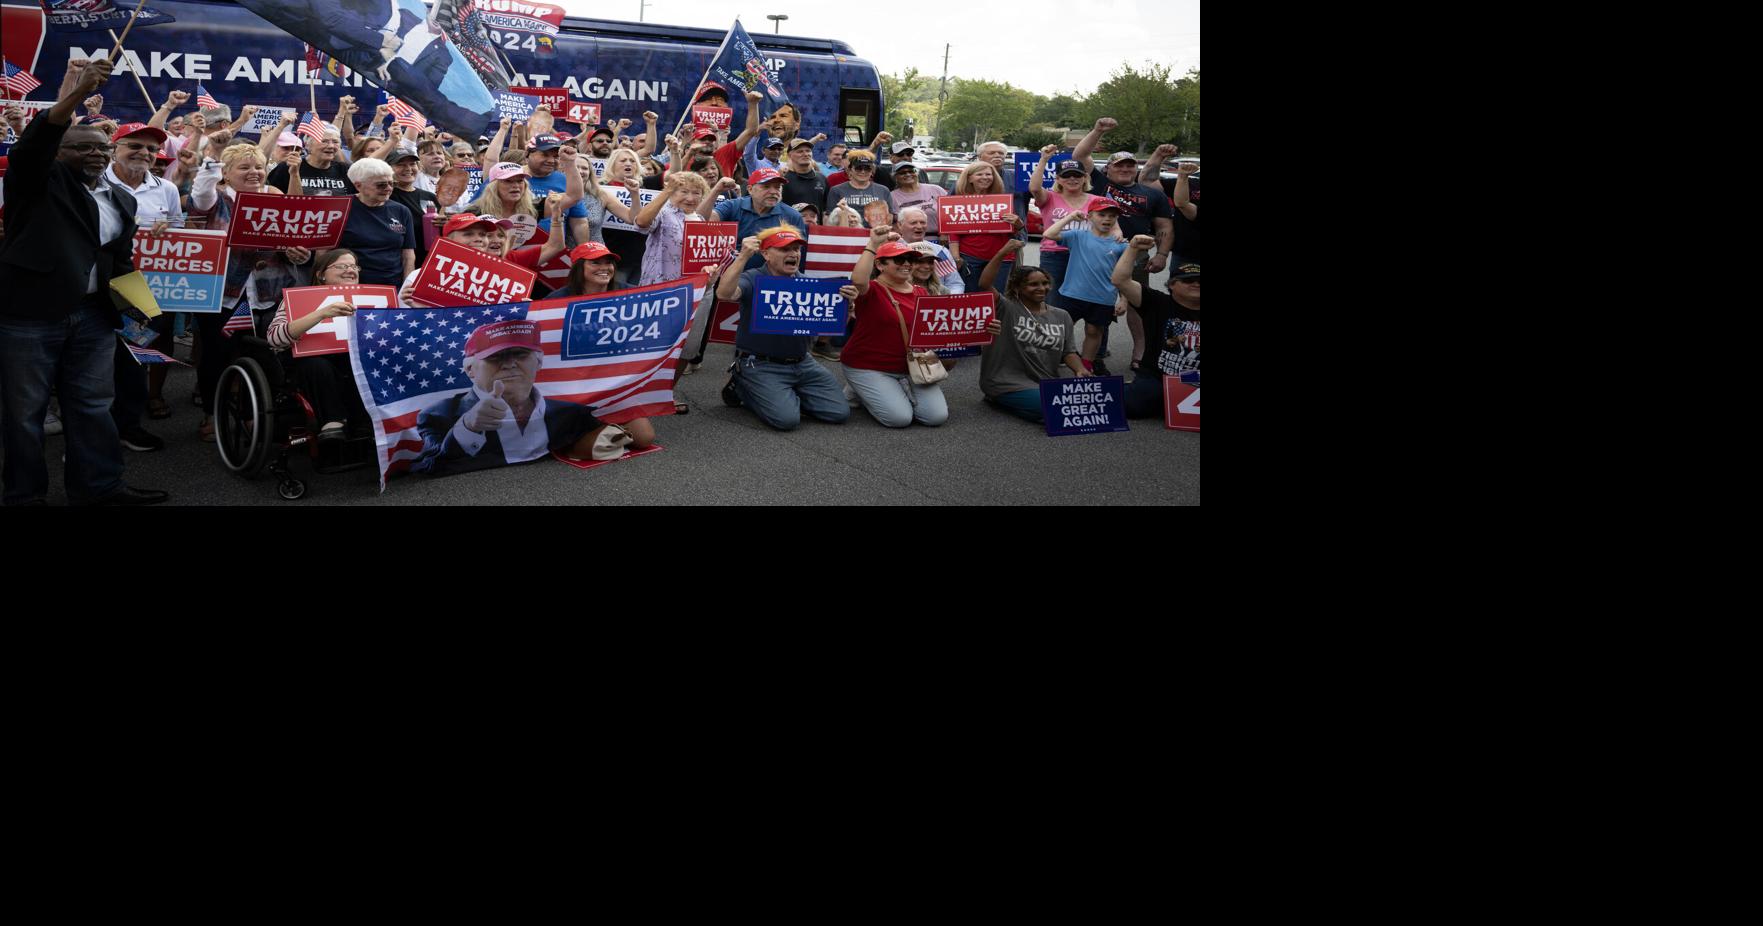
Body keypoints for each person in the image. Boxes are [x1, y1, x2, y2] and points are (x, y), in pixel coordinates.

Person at [0, 56, 168, 505]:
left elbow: (119, 260)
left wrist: (146, 311)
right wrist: (74, 93)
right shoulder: (36, 182)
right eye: (82, 147)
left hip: (93, 318)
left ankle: (99, 488)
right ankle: (23, 495)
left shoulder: (121, 200)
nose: (94, 153)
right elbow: (35, 143)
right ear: (59, 152)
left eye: (101, 147)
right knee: (23, 415)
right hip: (30, 317)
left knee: (93, 407)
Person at [188, 142, 311, 443]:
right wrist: (213, 156)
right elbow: (200, 194)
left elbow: (300, 245)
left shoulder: (276, 198)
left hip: (269, 292)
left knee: (268, 355)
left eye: (258, 166)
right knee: (217, 356)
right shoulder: (215, 199)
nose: (254, 172)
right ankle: (212, 413)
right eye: (244, 167)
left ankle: (256, 412)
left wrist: (299, 253)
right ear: (226, 174)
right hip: (225, 293)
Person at [411, 318, 624, 476]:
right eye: (495, 357)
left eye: (521, 354)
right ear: (469, 369)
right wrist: (467, 427)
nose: (510, 363)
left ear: (539, 361)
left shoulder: (570, 411)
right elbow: (427, 468)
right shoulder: (438, 414)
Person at [842, 230, 999, 428]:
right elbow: (858, 281)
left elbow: (945, 329)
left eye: (910, 259)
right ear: (880, 265)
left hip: (913, 367)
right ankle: (860, 389)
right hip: (868, 365)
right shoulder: (871, 290)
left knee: (935, 417)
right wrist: (872, 244)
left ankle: (885, 390)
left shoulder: (921, 292)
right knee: (899, 419)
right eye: (899, 259)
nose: (907, 263)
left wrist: (981, 327)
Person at [713, 226, 854, 431]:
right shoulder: (753, 278)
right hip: (762, 364)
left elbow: (826, 333)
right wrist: (742, 257)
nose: (793, 254)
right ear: (766, 254)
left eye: (796, 249)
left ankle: (782, 393)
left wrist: (846, 307)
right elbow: (724, 294)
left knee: (838, 413)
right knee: (787, 420)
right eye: (784, 249)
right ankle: (743, 386)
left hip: (803, 362)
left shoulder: (808, 283)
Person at [1072, 118, 1175, 371]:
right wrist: (1097, 130)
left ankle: (1140, 351)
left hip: (1136, 254)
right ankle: (1090, 354)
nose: (1125, 169)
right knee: (1095, 300)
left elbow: (1164, 227)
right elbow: (1080, 154)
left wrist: (1161, 255)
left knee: (1137, 305)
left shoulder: (1152, 194)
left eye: (1130, 165)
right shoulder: (1100, 183)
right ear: (1108, 168)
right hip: (1096, 251)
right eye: (1120, 165)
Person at [104, 121, 182, 449]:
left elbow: (181, 238)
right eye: (135, 145)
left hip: (146, 291)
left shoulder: (166, 189)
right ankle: (93, 435)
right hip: (101, 288)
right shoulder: (93, 183)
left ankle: (128, 425)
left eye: (151, 149)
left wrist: (170, 231)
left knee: (136, 357)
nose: (144, 153)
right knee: (95, 364)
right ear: (114, 148)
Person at [263, 248, 372, 444]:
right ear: (321, 275)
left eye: (354, 266)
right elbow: (274, 339)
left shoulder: (371, 299)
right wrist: (321, 313)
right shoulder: (298, 298)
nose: (350, 270)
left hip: (350, 362)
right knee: (316, 364)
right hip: (308, 367)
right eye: (342, 266)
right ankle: (332, 422)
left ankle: (366, 421)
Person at [976, 240, 1090, 423]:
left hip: (1046, 381)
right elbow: (984, 284)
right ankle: (999, 399)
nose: (1041, 288)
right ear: (1017, 288)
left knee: (1092, 403)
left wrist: (1080, 369)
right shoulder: (1006, 307)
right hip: (1006, 382)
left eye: (1045, 283)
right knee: (1058, 408)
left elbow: (1069, 351)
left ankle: (1031, 409)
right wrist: (1003, 251)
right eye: (1033, 284)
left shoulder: (1062, 315)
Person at [1111, 239, 1199, 419]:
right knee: (1137, 402)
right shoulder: (1157, 302)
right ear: (1172, 284)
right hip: (1159, 377)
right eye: (1188, 280)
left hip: (1195, 378)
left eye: (1200, 280)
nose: (1196, 284)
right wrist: (1133, 248)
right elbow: (1120, 280)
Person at [1040, 198, 1129, 371]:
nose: (1107, 219)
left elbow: (1125, 276)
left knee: (1094, 331)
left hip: (1103, 298)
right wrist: (1071, 217)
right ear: (1090, 217)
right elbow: (1049, 234)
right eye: (1101, 214)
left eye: (1112, 216)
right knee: (1060, 331)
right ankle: (1048, 365)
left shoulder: (1121, 245)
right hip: (1072, 294)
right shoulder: (1077, 236)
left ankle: (1086, 366)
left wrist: (1123, 299)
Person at [945, 159, 1025, 294]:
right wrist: (956, 257)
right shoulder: (959, 201)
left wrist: (1018, 223)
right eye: (980, 174)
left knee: (996, 298)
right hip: (970, 257)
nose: (985, 178)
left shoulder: (1003, 200)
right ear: (969, 178)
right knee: (971, 296)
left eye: (988, 174)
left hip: (1001, 257)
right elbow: (953, 232)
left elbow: (1015, 230)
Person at [1030, 151, 1097, 311]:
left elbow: (1110, 226)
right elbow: (1034, 187)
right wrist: (1044, 159)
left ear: (1085, 178)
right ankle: (1055, 335)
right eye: (1066, 176)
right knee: (1053, 302)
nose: (1072, 179)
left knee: (1090, 304)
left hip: (1086, 255)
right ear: (1058, 179)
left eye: (1077, 175)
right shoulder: (1050, 197)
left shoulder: (1098, 201)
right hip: (1054, 255)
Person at [337, 158, 417, 287]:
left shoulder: (401, 211)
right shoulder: (339, 208)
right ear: (358, 185)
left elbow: (408, 255)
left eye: (391, 183)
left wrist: (407, 285)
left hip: (392, 285)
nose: (388, 188)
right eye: (381, 185)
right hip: (350, 284)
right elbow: (323, 252)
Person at [712, 168, 805, 272]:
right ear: (750, 189)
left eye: (778, 187)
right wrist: (716, 190)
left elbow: (797, 257)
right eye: (766, 187)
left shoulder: (793, 216)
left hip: (771, 281)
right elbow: (702, 222)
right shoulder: (733, 206)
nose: (773, 192)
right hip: (731, 277)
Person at [521, 134, 588, 243]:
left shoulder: (567, 181)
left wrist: (584, 252)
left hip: (553, 254)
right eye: (545, 154)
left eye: (556, 156)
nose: (551, 160)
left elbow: (579, 221)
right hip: (511, 252)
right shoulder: (507, 177)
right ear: (527, 154)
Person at [386, 148, 440, 268]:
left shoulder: (429, 196)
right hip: (400, 264)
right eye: (400, 165)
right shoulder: (387, 196)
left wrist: (444, 222)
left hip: (430, 262)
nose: (408, 169)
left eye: (412, 164)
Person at [267, 123, 352, 196]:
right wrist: (294, 174)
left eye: (335, 142)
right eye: (324, 141)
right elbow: (271, 199)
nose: (331, 146)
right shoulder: (287, 167)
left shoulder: (346, 170)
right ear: (308, 145)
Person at [895, 215, 962, 293]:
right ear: (899, 225)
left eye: (923, 222)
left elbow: (955, 283)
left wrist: (948, 301)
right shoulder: (893, 251)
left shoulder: (940, 251)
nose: (919, 226)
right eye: (913, 223)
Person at [825, 149, 891, 227]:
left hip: (876, 234)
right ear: (850, 170)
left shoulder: (883, 190)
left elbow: (890, 216)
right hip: (848, 236)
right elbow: (830, 219)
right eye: (858, 168)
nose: (863, 171)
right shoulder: (836, 190)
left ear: (872, 171)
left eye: (867, 168)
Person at [887, 159, 943, 235]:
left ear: (917, 173)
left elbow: (951, 213)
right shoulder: (891, 196)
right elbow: (890, 222)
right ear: (895, 177)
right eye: (902, 173)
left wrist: (945, 233)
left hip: (939, 238)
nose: (908, 174)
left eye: (911, 171)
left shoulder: (936, 189)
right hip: (908, 241)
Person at [781, 137, 827, 212]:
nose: (805, 154)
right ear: (789, 155)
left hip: (817, 223)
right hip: (790, 223)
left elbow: (826, 210)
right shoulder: (783, 179)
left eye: (808, 151)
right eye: (800, 151)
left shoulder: (821, 178)